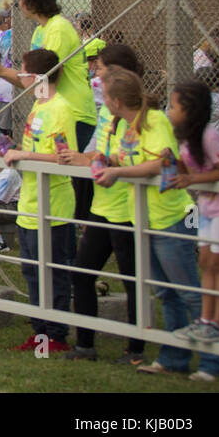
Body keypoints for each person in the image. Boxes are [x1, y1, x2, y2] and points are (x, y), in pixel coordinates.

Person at [91, 67, 219, 382]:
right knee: (166, 293)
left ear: (114, 99)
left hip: (171, 218)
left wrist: (119, 173)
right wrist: (108, 163)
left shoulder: (154, 121)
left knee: (189, 291)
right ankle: (174, 356)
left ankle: (213, 361)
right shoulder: (122, 125)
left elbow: (160, 163)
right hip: (144, 218)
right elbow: (126, 159)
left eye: (105, 93)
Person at [0, 0, 97, 220]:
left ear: (30, 1)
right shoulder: (40, 31)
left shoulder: (58, 29)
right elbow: (37, 83)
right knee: (41, 171)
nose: (18, 4)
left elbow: (43, 80)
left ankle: (63, 226)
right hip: (48, 111)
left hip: (71, 112)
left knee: (58, 170)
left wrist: (3, 72)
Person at [60, 43, 148, 365]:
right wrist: (85, 158)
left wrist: (106, 163)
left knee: (134, 280)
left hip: (130, 212)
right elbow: (97, 153)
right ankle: (85, 345)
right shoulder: (107, 117)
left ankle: (136, 349)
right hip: (102, 208)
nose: (96, 75)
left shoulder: (148, 119)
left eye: (102, 70)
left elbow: (146, 163)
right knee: (82, 274)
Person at [0, 49, 77, 354]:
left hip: (52, 206)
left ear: (38, 77)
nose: (20, 77)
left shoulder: (60, 109)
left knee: (53, 271)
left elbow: (64, 157)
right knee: (32, 271)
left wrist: (25, 155)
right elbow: (34, 149)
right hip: (29, 205)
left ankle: (56, 334)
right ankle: (39, 331)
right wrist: (12, 151)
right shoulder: (37, 106)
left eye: (24, 72)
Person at [166, 80, 219, 346]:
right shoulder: (185, 136)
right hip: (206, 207)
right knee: (205, 262)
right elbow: (189, 165)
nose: (169, 110)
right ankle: (205, 320)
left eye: (173, 106)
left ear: (190, 109)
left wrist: (192, 180)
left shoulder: (210, 135)